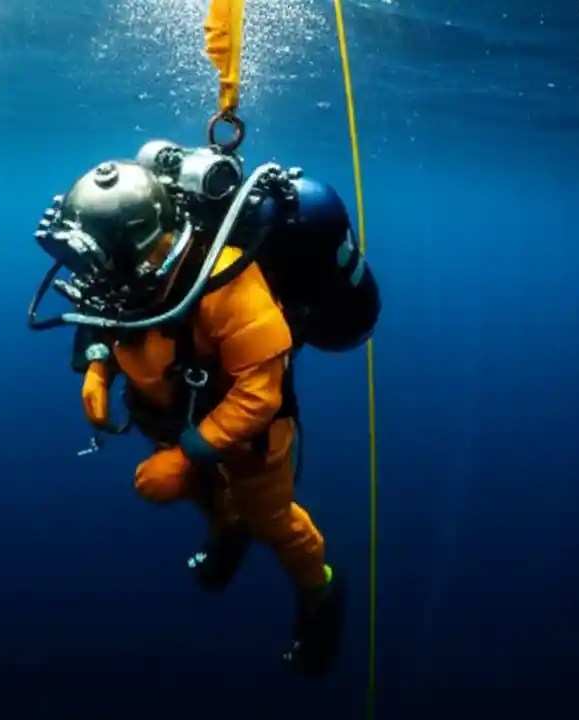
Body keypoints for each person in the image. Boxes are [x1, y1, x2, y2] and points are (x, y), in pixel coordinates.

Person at [26, 140, 380, 676]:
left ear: (148, 250)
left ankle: (321, 595)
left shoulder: (229, 287)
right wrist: (99, 364)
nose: (94, 277)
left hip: (247, 440)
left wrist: (188, 455)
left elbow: (259, 396)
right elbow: (103, 306)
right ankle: (226, 530)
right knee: (209, 497)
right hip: (175, 419)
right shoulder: (125, 278)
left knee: (276, 523)